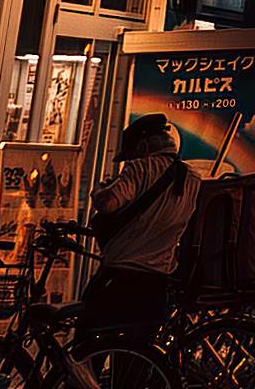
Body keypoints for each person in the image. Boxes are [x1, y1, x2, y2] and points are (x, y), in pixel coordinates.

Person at [76, 114, 197, 340]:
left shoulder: (140, 167)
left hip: (120, 278)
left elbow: (109, 204)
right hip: (158, 283)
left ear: (142, 147)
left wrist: (98, 192)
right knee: (136, 359)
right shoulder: (192, 178)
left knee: (85, 349)